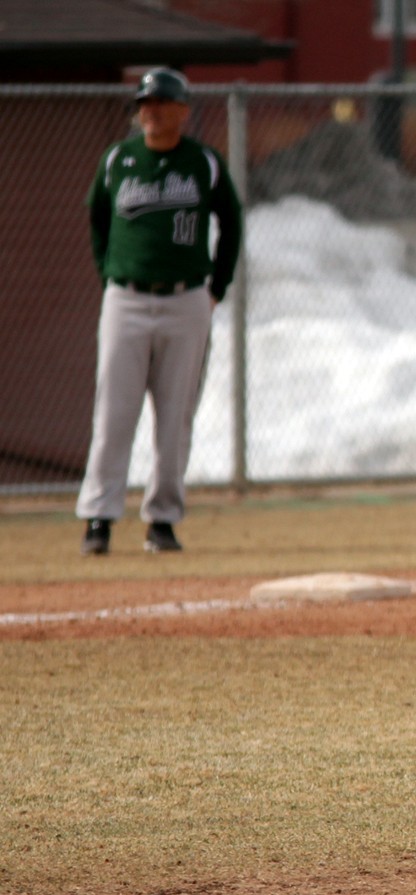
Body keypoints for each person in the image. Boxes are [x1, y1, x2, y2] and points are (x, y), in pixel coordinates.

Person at [77, 67, 243, 555]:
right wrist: (110, 274)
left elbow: (231, 224)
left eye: (162, 102)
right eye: (144, 103)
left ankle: (163, 520)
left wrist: (218, 286)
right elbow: (97, 220)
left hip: (187, 298)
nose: (150, 111)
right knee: (113, 412)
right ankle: (98, 518)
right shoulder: (118, 160)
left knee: (175, 416)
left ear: (183, 111)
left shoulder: (203, 163)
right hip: (126, 298)